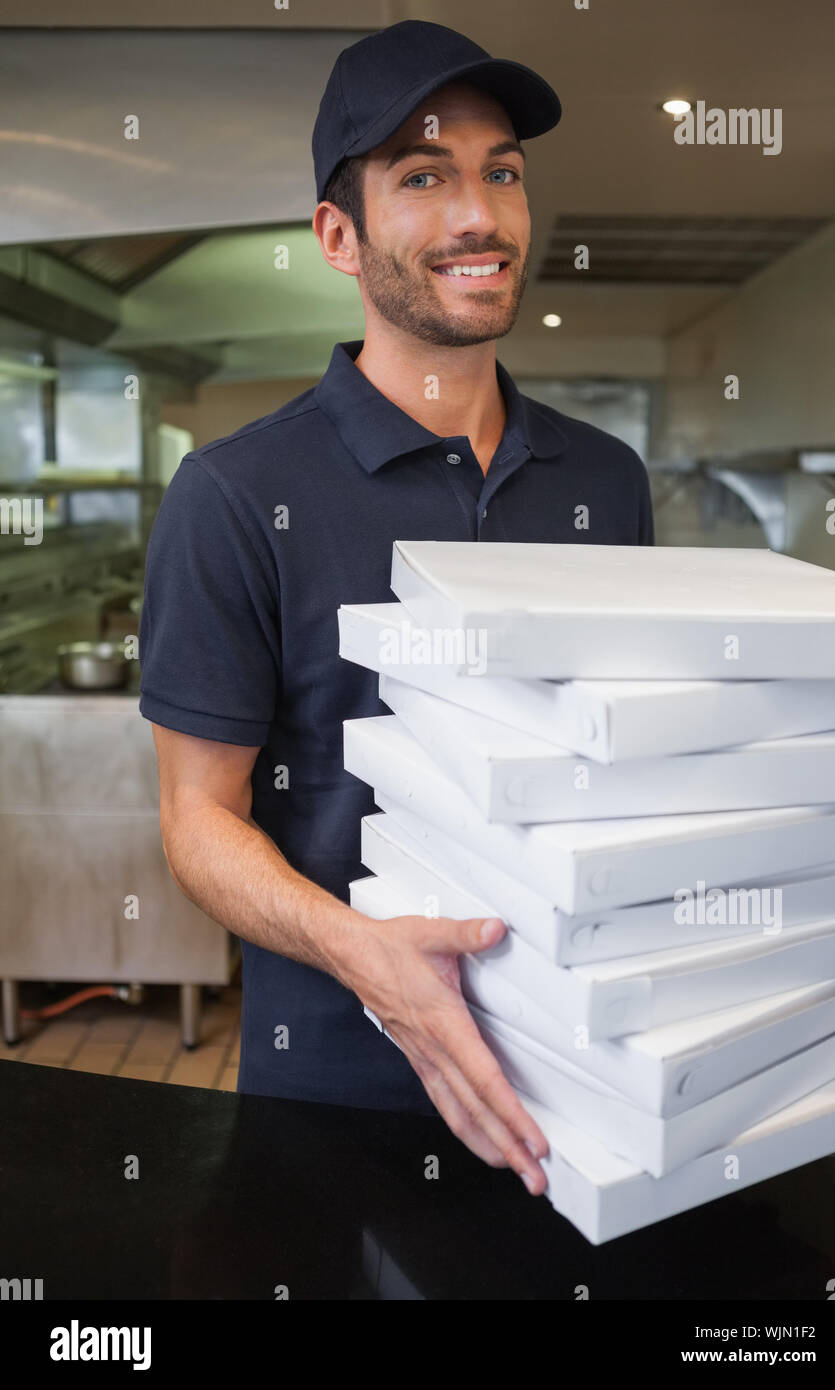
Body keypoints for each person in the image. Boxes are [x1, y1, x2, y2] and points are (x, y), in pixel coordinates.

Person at [139, 20, 654, 1198]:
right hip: (335, 1092)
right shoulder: (233, 495)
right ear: (338, 234)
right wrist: (363, 956)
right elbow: (196, 820)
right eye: (422, 176)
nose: (479, 214)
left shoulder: (603, 481)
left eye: (501, 170)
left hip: (583, 1083)